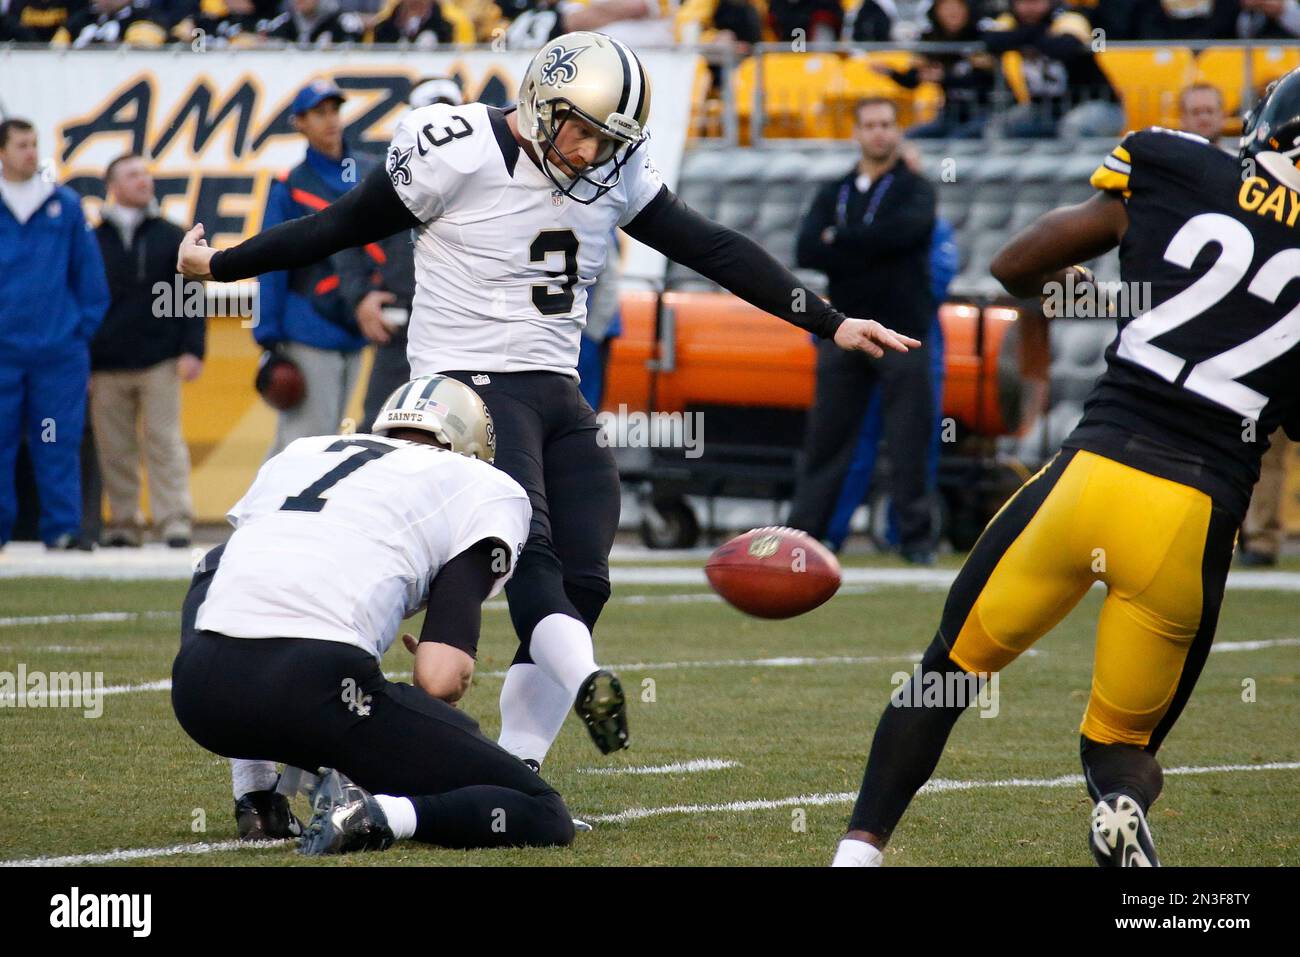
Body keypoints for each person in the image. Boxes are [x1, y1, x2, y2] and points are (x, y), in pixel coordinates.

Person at [178, 32, 919, 771]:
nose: (593, 153)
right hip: (462, 392)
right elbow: (336, 226)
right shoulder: (455, 146)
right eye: (584, 131)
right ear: (542, 99)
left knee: (586, 577)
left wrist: (830, 320)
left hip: (556, 388)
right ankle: (372, 740)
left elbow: (711, 246)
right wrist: (221, 263)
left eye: (609, 140)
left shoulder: (612, 165)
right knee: (528, 553)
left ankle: (518, 765)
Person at [831, 72, 1300, 868]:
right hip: (1192, 520)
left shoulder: (1176, 164)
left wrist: (1073, 293)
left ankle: (856, 854)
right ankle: (1117, 804)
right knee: (1122, 744)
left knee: (946, 675)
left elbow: (1018, 266)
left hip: (1092, 474)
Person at [173, 374, 576, 854]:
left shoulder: (303, 454)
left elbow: (231, 571)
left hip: (200, 692)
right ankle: (375, 814)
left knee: (219, 562)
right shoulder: (480, 485)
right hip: (314, 689)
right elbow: (441, 676)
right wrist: (438, 680)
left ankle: (257, 796)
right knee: (542, 810)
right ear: (469, 449)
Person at [788, 98, 938, 564]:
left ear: (898, 131)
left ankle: (915, 541)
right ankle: (806, 537)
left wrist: (843, 239)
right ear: (856, 132)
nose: (878, 133)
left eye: (887, 125)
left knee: (909, 438)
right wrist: (864, 244)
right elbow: (807, 248)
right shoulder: (834, 189)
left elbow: (908, 234)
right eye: (870, 125)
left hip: (902, 331)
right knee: (827, 438)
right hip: (843, 328)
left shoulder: (916, 187)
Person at [0, 118, 109, 552]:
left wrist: (75, 336)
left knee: (56, 440)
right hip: (3, 354)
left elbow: (91, 282)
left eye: (34, 143)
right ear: (2, 152)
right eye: (22, 145)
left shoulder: (63, 205)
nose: (31, 152)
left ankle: (63, 528)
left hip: (56, 354)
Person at [91, 153, 205, 549]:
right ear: (113, 185)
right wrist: (82, 359)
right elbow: (81, 298)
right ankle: (124, 523)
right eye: (133, 175)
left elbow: (192, 292)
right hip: (104, 363)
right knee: (114, 446)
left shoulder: (172, 235)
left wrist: (194, 348)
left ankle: (174, 521)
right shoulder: (93, 239)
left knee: (164, 440)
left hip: (160, 358)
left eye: (146, 174)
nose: (144, 181)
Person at [254, 79, 372, 459]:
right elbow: (270, 261)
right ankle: (268, 517)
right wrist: (268, 334)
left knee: (330, 439)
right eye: (318, 113)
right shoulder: (290, 186)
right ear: (298, 123)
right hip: (308, 325)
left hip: (357, 324)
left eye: (334, 110)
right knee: (306, 441)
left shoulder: (368, 172)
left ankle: (272, 515)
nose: (330, 120)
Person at [981, 0, 1124, 139]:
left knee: (1073, 126)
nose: (1029, 8)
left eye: (1036, 2)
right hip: (1045, 108)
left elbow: (1065, 46)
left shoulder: (1069, 17)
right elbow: (992, 40)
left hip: (1099, 105)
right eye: (1022, 2)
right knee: (998, 127)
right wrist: (1036, 35)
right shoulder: (1010, 20)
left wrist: (1023, 37)